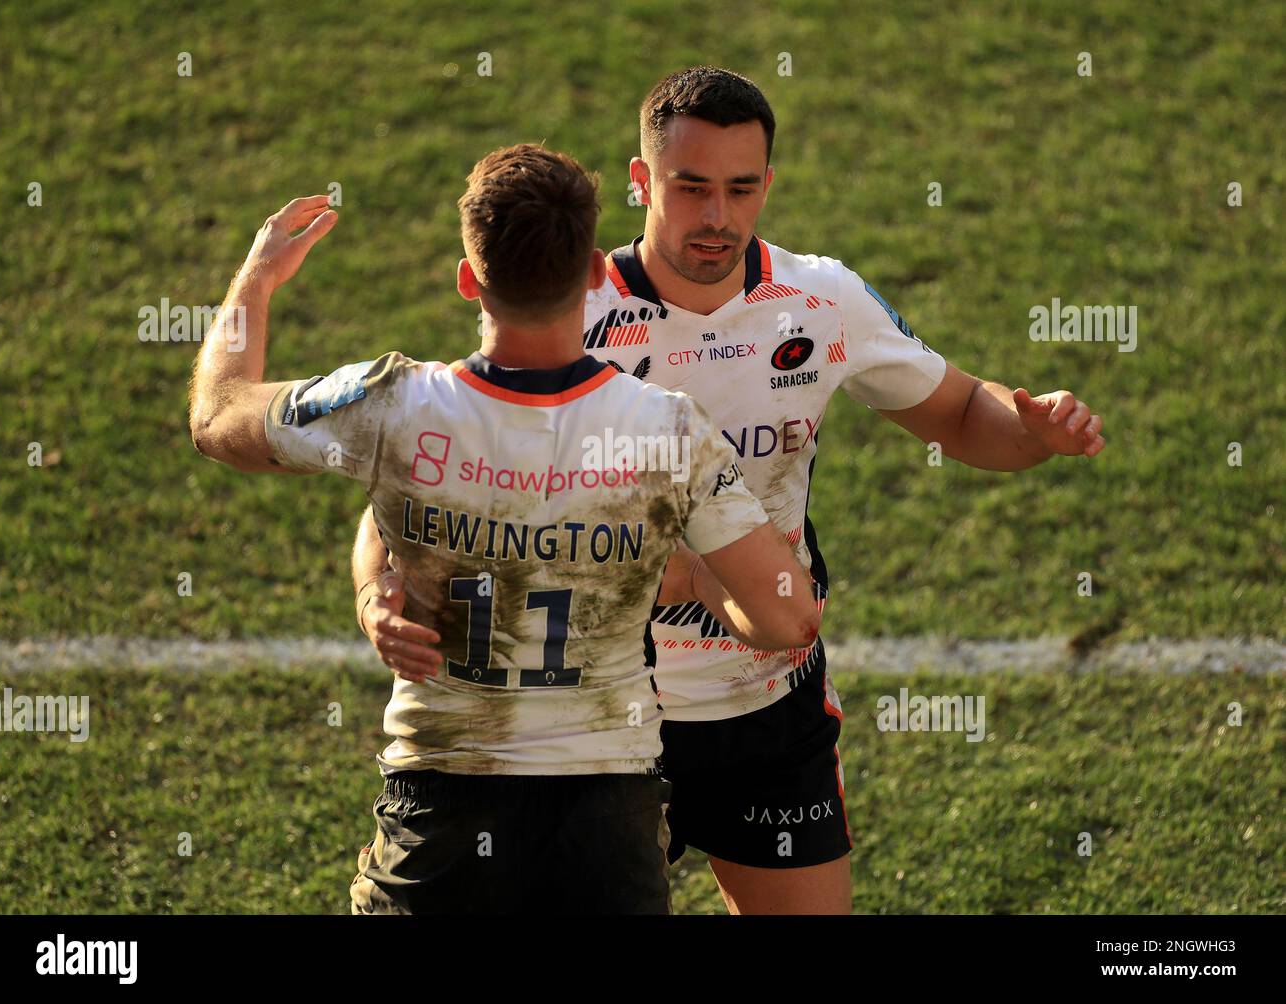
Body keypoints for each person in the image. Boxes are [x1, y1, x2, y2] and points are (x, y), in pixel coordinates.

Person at [353, 67, 1106, 914]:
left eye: (741, 189)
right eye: (692, 187)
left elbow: (964, 411)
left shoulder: (821, 301)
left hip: (769, 703)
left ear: (768, 186)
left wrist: (1033, 430)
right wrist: (378, 585)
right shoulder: (575, 309)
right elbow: (433, 458)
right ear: (642, 181)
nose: (718, 216)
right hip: (607, 721)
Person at [188, 144, 820, 914]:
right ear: (594, 274)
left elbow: (218, 416)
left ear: (468, 280)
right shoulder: (668, 430)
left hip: (442, 816)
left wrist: (256, 279)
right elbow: (787, 617)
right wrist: (679, 575)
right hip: (605, 827)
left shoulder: (392, 407)